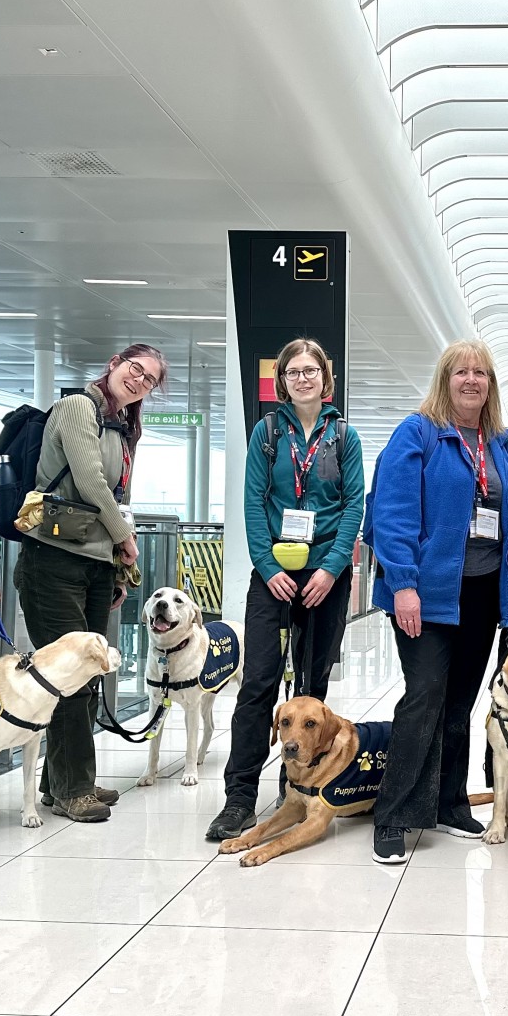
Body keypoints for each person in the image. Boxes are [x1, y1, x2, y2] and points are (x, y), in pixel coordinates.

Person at [369, 339, 508, 864]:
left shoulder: (502, 446)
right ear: (445, 379)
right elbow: (390, 515)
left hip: (484, 595)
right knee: (424, 696)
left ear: (490, 384)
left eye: (481, 373)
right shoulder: (417, 433)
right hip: (426, 593)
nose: (472, 380)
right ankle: (393, 814)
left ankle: (448, 802)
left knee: (461, 701)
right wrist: (403, 585)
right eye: (461, 372)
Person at [206, 338, 365, 841]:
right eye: (293, 371)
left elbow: (354, 505)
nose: (302, 378)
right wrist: (265, 563)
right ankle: (238, 798)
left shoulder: (345, 436)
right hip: (273, 575)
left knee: (312, 691)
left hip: (325, 579)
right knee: (258, 686)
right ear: (282, 379)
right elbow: (253, 502)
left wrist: (332, 567)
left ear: (325, 378)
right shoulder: (267, 433)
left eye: (310, 370)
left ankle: (295, 787)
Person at [16, 343, 165, 822]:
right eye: (134, 369)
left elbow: (117, 497)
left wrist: (116, 565)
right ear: (114, 364)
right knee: (69, 675)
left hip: (94, 563)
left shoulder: (123, 426)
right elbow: (89, 481)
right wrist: (127, 541)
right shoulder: (78, 407)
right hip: (53, 559)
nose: (139, 380)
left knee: (91, 669)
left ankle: (56, 780)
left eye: (149, 379)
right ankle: (73, 788)